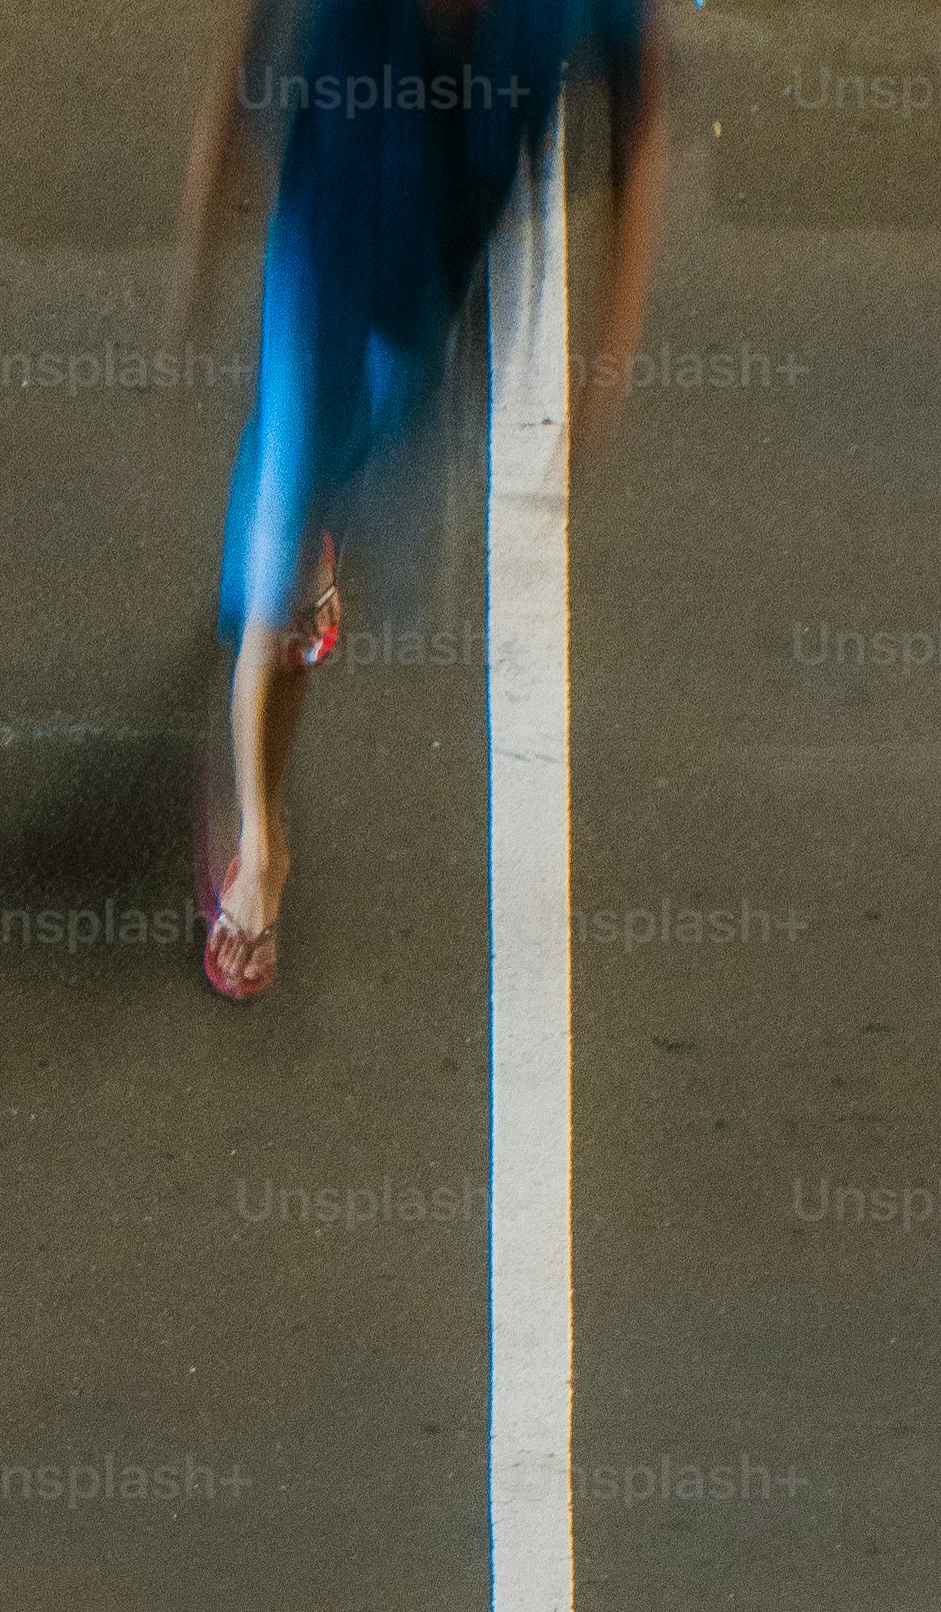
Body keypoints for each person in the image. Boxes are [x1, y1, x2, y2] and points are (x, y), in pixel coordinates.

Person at [178, 0, 667, 1000]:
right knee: (275, 576)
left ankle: (296, 582)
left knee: (310, 541)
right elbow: (246, 57)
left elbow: (639, 124)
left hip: (426, 315)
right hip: (313, 280)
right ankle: (260, 844)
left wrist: (607, 352)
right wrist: (204, 227)